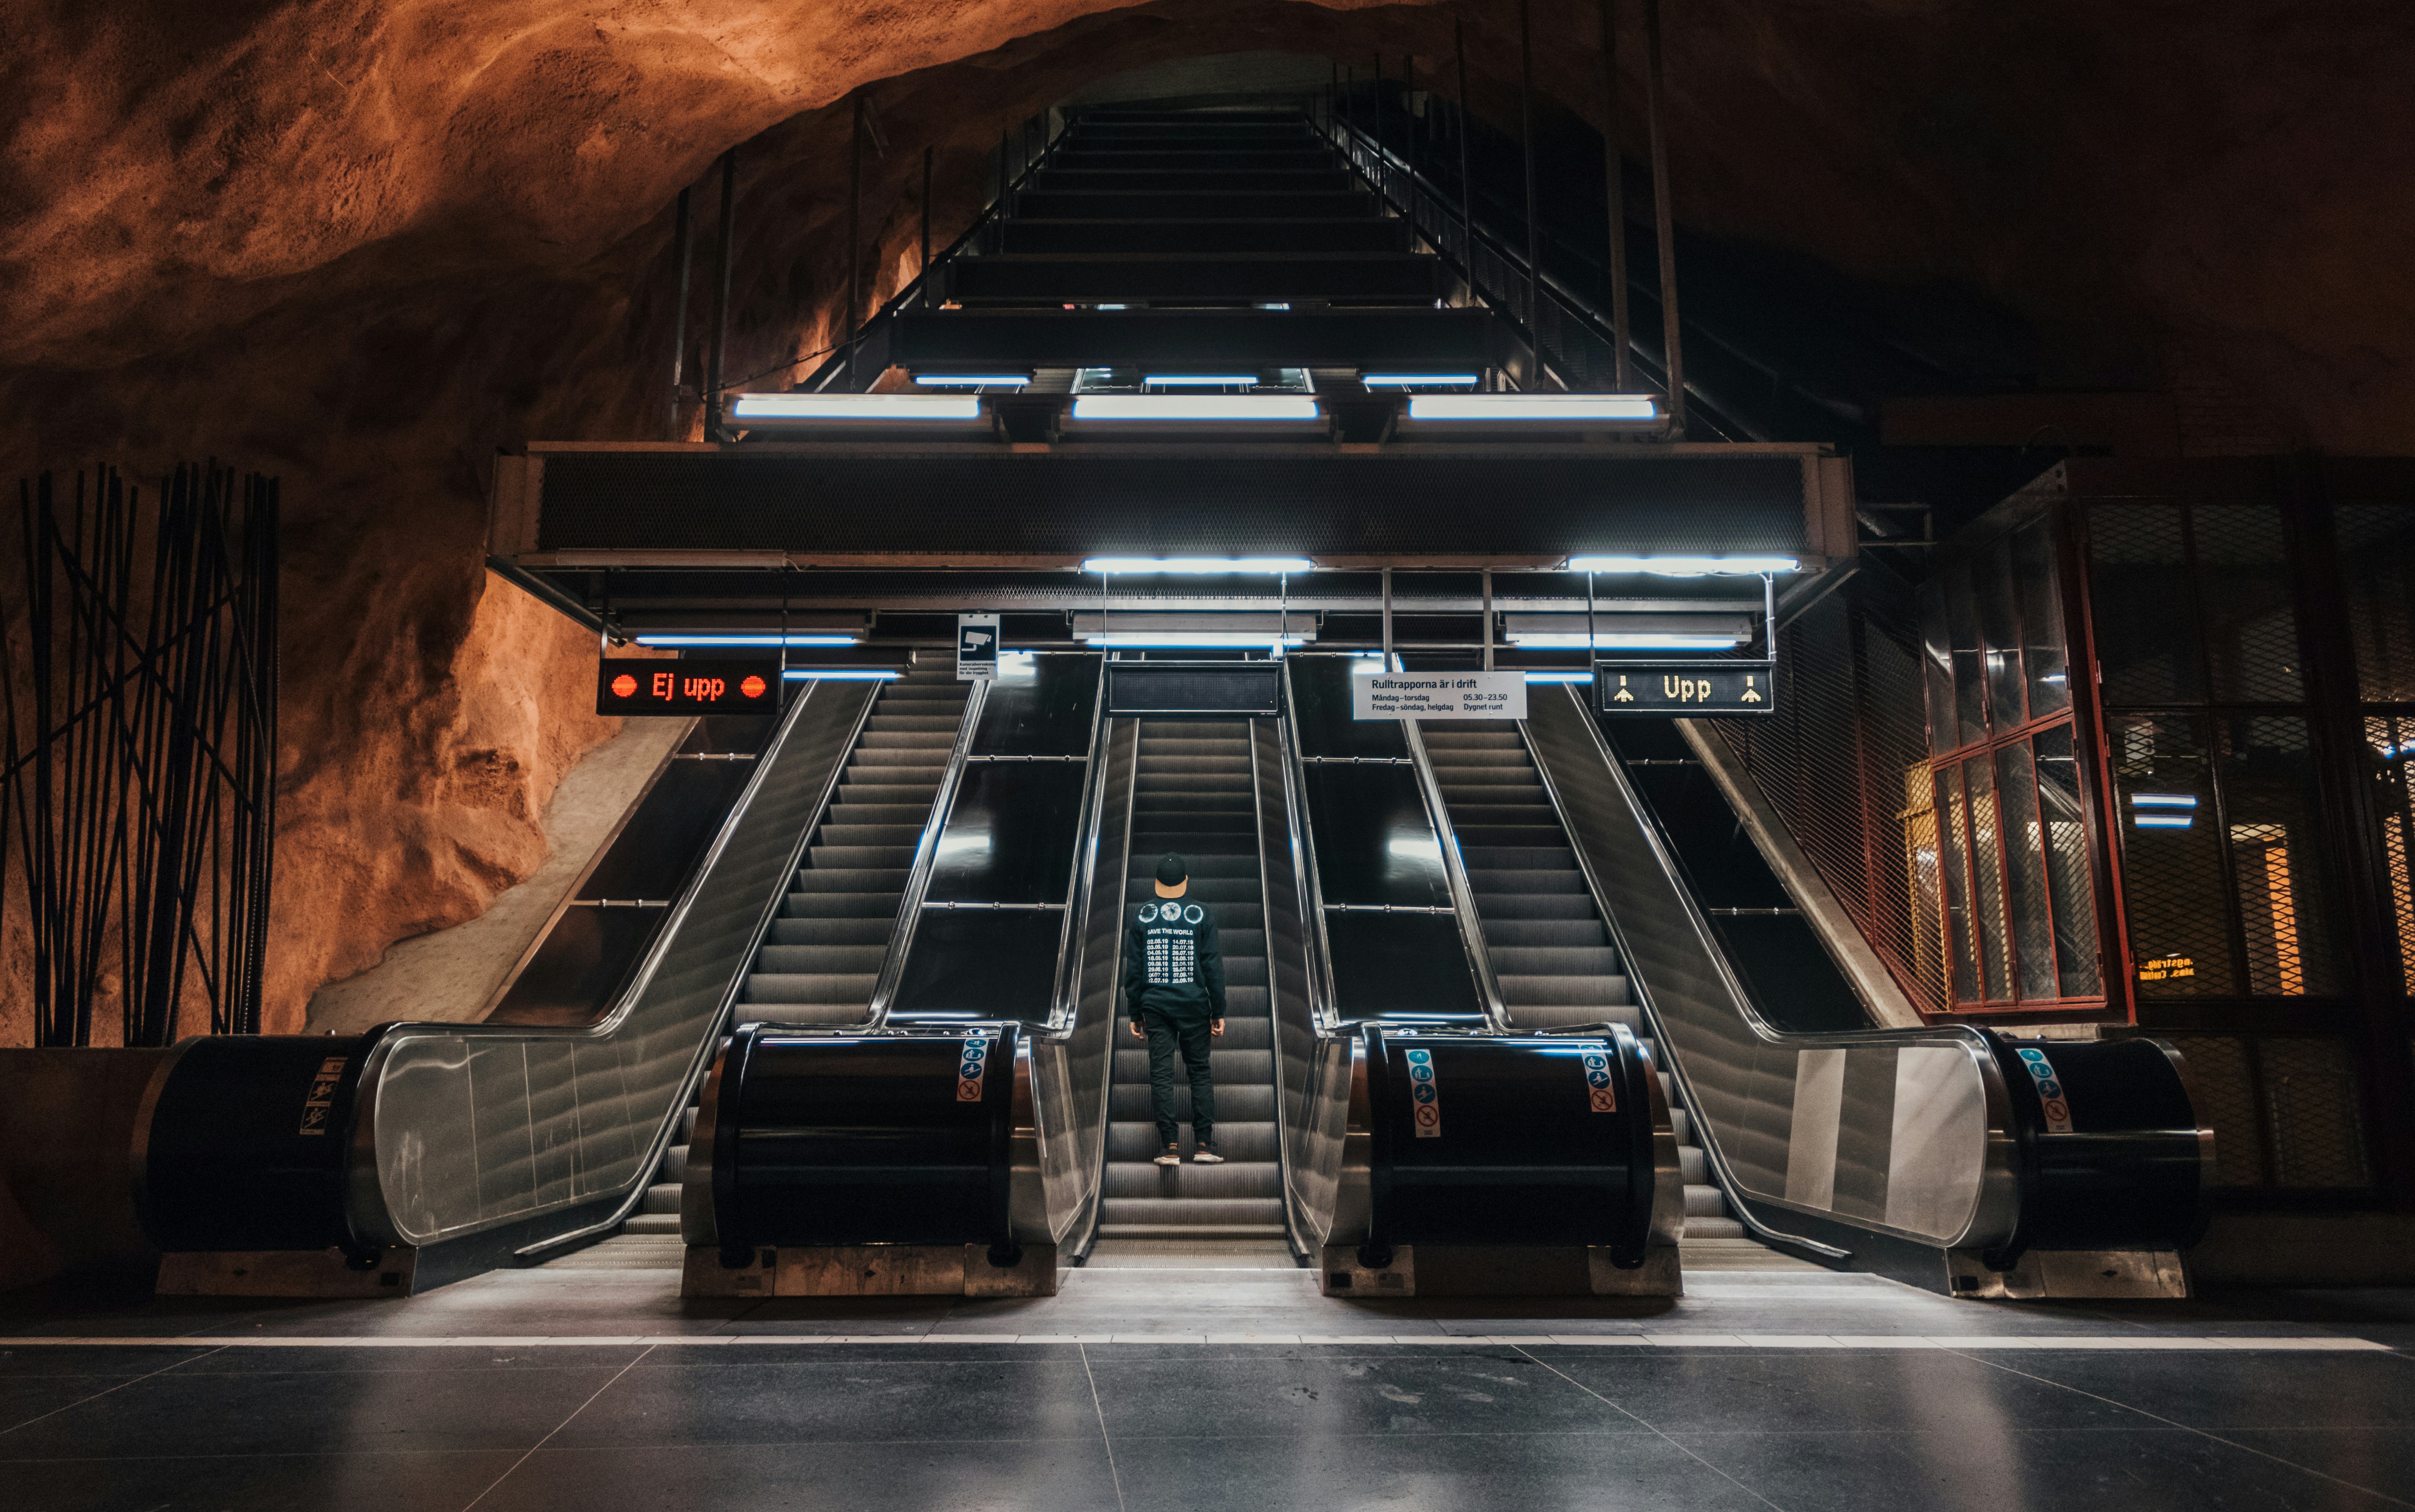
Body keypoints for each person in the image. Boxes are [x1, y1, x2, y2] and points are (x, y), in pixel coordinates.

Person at [1123, 852, 1226, 1166]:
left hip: (1155, 1005)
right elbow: (1212, 965)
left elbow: (1135, 970)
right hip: (1195, 1003)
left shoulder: (1142, 915)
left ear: (1156, 883)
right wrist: (1218, 1010)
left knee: (1162, 1074)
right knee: (1199, 1072)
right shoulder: (1201, 913)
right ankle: (1204, 1145)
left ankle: (1169, 1147)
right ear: (1186, 882)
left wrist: (1135, 1013)